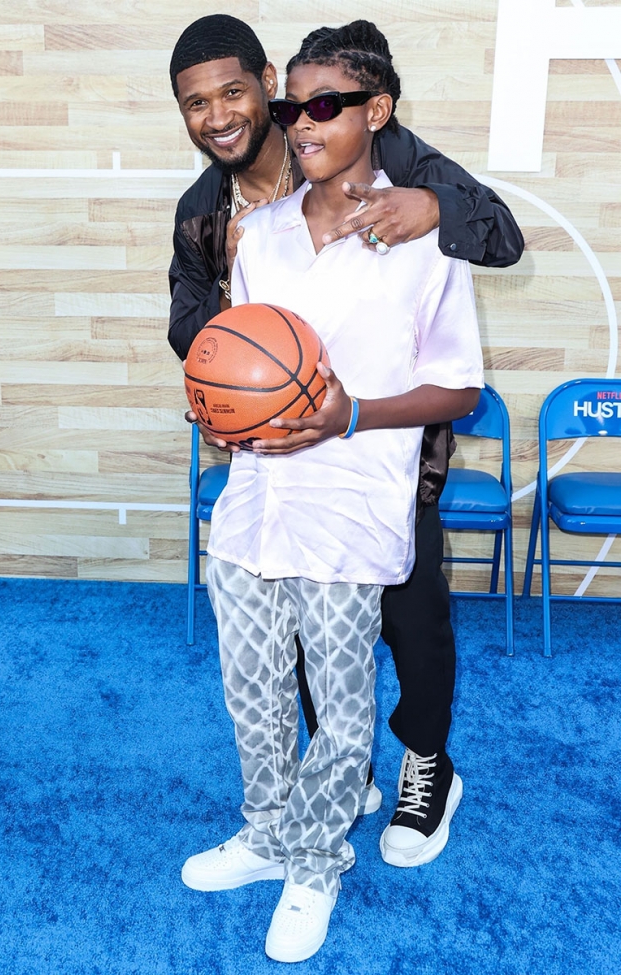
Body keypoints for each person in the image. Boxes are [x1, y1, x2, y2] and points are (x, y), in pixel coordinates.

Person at [168, 14, 523, 873]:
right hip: (279, 455)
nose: (220, 115)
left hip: (385, 455)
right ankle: (333, 772)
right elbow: (192, 322)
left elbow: (497, 234)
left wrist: (434, 205)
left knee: (410, 617)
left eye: (234, 92)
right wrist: (229, 392)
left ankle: (427, 764)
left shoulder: (388, 156)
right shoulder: (210, 211)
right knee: (288, 635)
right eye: (196, 104)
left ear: (260, 81)